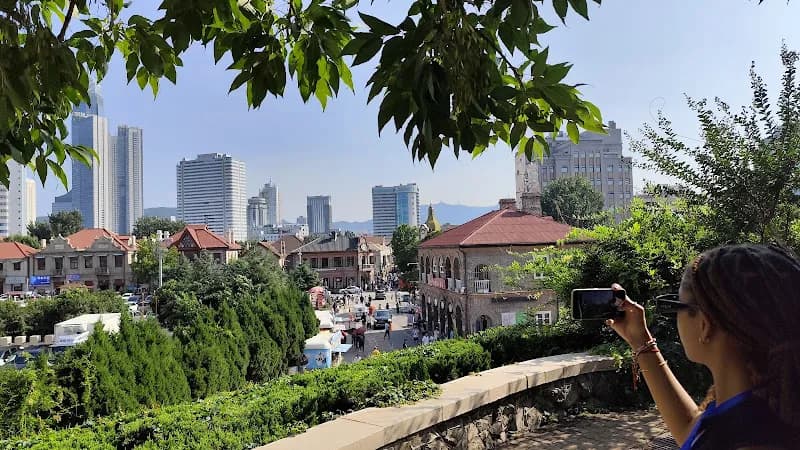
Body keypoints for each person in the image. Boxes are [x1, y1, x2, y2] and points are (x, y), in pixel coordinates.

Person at [606, 244, 799, 449]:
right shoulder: (761, 411)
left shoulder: (744, 438)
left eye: (677, 305)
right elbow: (691, 432)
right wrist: (640, 340)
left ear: (705, 325)